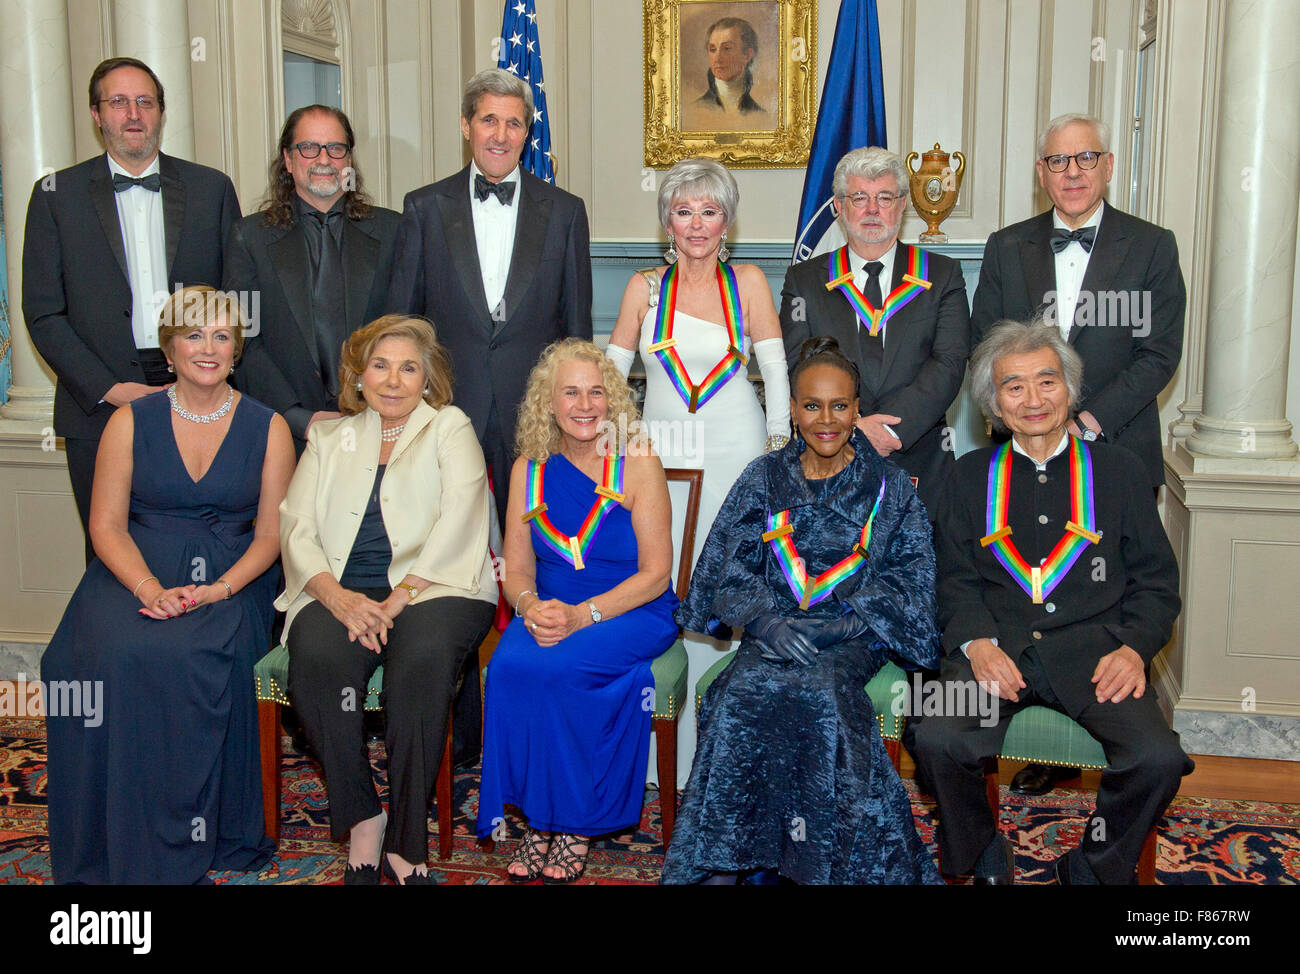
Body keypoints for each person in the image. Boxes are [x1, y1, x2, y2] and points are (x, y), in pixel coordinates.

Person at [914, 321, 1192, 885]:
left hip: (1097, 656)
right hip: (997, 652)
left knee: (1158, 760)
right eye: (1014, 387)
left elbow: (1157, 583)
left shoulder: (1120, 471)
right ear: (994, 404)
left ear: (1070, 389)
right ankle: (982, 851)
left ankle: (1090, 868)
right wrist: (977, 644)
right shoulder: (968, 478)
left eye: (1047, 381)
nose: (1034, 399)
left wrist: (1135, 648)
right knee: (936, 738)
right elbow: (952, 579)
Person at [661, 337, 942, 885]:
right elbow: (726, 565)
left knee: (818, 692)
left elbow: (912, 576)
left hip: (852, 636)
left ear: (857, 408)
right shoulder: (763, 476)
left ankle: (816, 865)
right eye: (812, 405)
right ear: (791, 409)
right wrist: (764, 620)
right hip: (775, 629)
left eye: (840, 406)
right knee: (739, 693)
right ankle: (725, 861)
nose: (826, 419)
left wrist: (848, 622)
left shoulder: (890, 488)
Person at [42, 285, 294, 884]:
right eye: (193, 335)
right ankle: (113, 831)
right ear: (170, 347)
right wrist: (148, 588)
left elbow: (269, 537)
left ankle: (198, 828)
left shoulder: (271, 427)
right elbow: (104, 525)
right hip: (133, 566)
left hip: (235, 575)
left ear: (237, 349)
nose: (207, 348)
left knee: (199, 653)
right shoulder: (129, 421)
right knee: (103, 655)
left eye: (222, 336)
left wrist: (221, 589)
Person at [969, 112, 1186, 797]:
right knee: (1030, 588)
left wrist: (1088, 419)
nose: (1072, 172)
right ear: (1041, 173)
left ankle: (1120, 737)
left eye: (1085, 158)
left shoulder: (1151, 245)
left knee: (1109, 595)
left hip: (1116, 448)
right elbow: (985, 344)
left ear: (1109, 165)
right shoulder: (1008, 247)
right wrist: (1034, 421)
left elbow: (1159, 353)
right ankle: (1042, 731)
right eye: (1058, 161)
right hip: (1027, 454)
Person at [277, 315, 498, 885]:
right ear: (359, 376)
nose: (393, 380)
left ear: (427, 380)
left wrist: (395, 602)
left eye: (408, 368)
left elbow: (461, 521)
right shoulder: (328, 438)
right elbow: (296, 528)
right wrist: (337, 597)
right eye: (380, 366)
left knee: (418, 671)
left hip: (438, 586)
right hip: (343, 589)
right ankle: (363, 817)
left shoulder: (450, 426)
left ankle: (406, 841)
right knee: (321, 665)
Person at [606, 156, 789, 787]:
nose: (697, 224)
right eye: (684, 211)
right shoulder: (642, 289)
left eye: (710, 211)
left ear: (728, 221)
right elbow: (608, 378)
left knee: (731, 592)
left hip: (736, 452)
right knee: (664, 585)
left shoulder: (752, 285)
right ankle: (667, 757)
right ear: (667, 221)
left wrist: (778, 451)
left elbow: (778, 374)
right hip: (660, 457)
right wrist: (615, 449)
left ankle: (732, 757)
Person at [477, 339, 678, 884]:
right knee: (510, 667)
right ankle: (538, 818)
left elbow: (658, 572)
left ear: (612, 400)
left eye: (596, 392)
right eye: (570, 392)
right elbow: (515, 569)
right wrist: (530, 605)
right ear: (549, 402)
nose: (584, 405)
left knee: (562, 667)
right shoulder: (529, 468)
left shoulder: (638, 461)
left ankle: (572, 826)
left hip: (631, 606)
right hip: (550, 606)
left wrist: (582, 615)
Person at [23, 57, 241, 560]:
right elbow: (43, 314)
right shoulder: (56, 195)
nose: (133, 113)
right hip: (97, 402)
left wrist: (203, 377)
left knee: (203, 543)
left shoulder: (211, 189)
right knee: (110, 552)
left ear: (162, 112)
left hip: (201, 392)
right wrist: (109, 389)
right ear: (97, 115)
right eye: (118, 102)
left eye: (145, 101)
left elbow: (235, 299)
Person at [388, 66, 593, 528]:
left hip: (536, 416)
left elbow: (576, 333)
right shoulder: (423, 208)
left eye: (514, 123)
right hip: (445, 408)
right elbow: (401, 326)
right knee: (444, 541)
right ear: (466, 125)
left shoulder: (565, 212)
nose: (501, 135)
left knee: (537, 540)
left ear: (527, 132)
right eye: (488, 120)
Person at [779, 146, 970, 518]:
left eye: (884, 197)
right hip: (830, 450)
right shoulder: (804, 280)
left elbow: (948, 362)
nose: (872, 210)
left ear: (902, 205)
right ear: (838, 206)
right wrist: (850, 427)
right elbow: (798, 364)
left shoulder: (943, 275)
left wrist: (888, 432)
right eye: (859, 198)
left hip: (918, 453)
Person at [224, 105, 401, 455]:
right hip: (284, 432)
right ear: (288, 161)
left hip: (382, 425)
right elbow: (243, 341)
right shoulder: (250, 237)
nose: (324, 159)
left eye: (336, 148)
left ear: (348, 159)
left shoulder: (394, 231)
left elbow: (409, 330)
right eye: (309, 147)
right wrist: (296, 416)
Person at [695, 17, 766, 115]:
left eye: (727, 48)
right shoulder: (695, 109)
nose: (717, 58)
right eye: (712, 49)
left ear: (747, 55)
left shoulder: (759, 115)